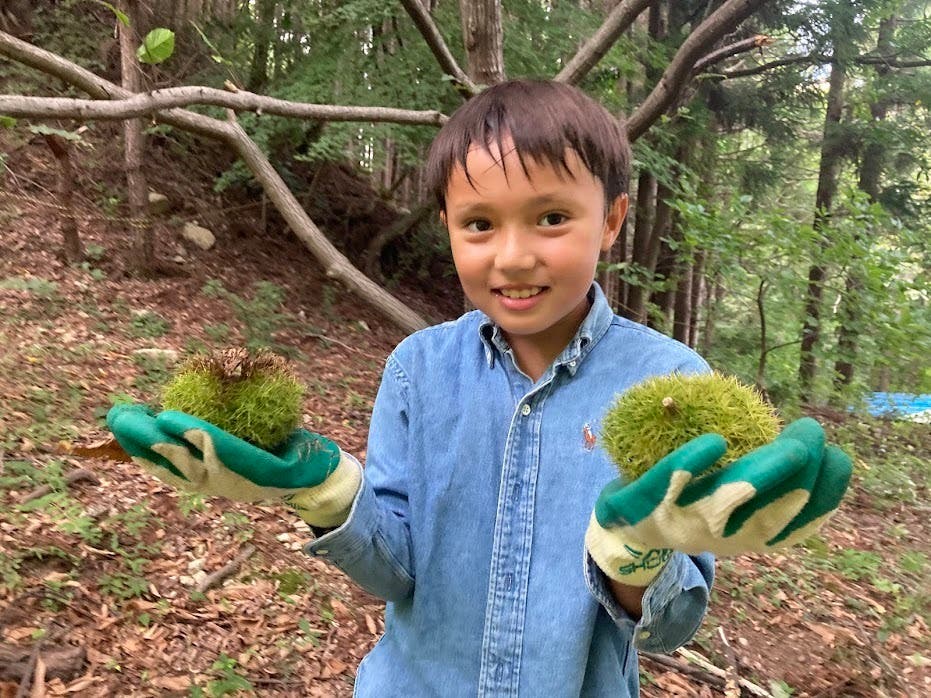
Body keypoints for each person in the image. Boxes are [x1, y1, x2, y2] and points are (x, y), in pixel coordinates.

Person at [107, 79, 852, 697]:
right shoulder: (418, 370)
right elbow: (393, 572)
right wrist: (321, 489)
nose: (513, 256)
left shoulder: (675, 383)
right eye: (479, 224)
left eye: (552, 218)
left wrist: (636, 548)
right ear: (447, 226)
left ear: (611, 220)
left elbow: (669, 629)